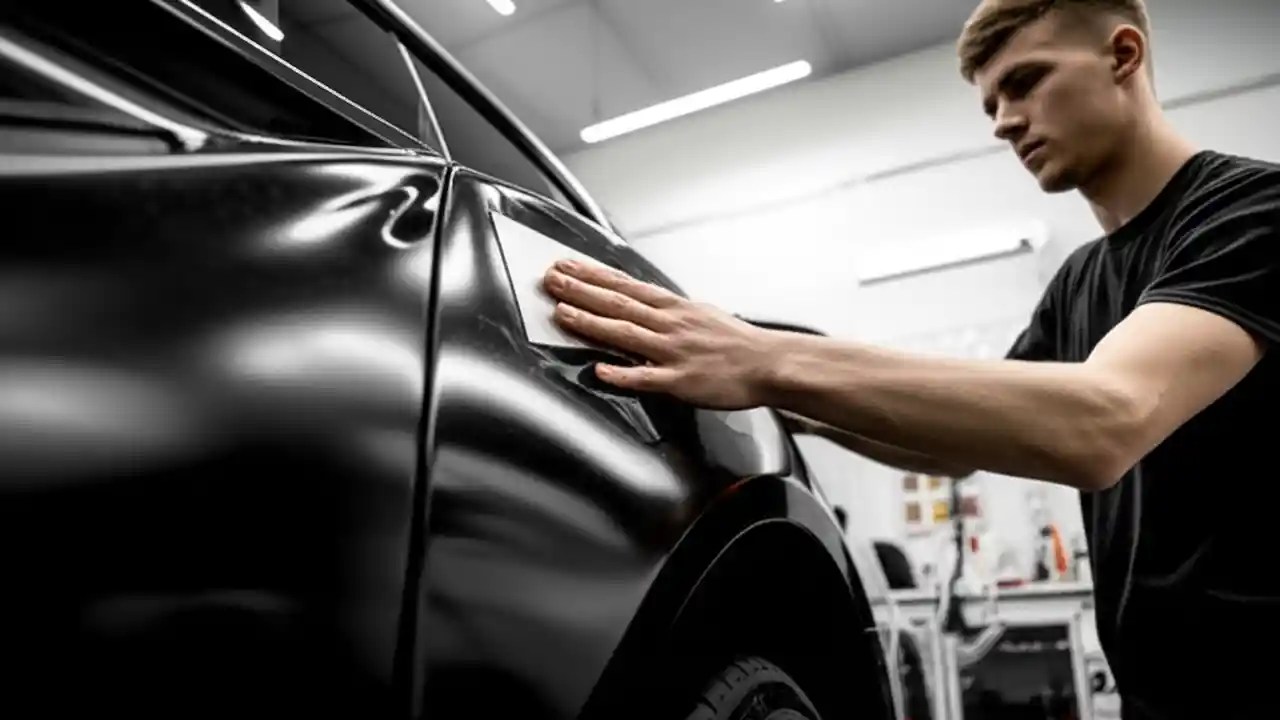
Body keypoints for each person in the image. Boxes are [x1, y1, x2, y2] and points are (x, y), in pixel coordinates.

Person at [543, 0, 1280, 715]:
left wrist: (766, 358)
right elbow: (959, 446)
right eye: (990, 103)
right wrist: (783, 399)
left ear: (1123, 55)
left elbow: (1104, 421)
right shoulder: (1078, 281)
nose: (1003, 122)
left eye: (1025, 82)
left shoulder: (1251, 211)